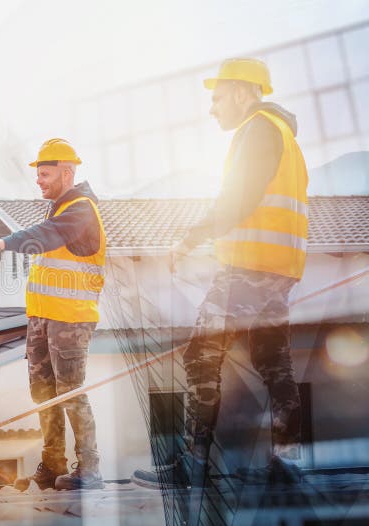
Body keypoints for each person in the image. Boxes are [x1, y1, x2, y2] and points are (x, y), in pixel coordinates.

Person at [132, 58, 308, 489]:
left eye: (217, 97)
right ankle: (289, 463)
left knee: (201, 356)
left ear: (243, 93)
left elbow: (237, 197)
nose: (212, 108)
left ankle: (193, 467)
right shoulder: (282, 134)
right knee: (273, 361)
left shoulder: (259, 129)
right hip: (279, 269)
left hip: (249, 267)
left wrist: (190, 239)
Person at [0, 138, 106, 490]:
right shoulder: (58, 209)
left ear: (67, 172)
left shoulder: (81, 209)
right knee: (43, 392)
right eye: (38, 174)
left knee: (69, 391)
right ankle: (53, 464)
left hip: (70, 318)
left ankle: (89, 469)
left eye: (45, 173)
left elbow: (44, 236)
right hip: (43, 318)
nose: (39, 180)